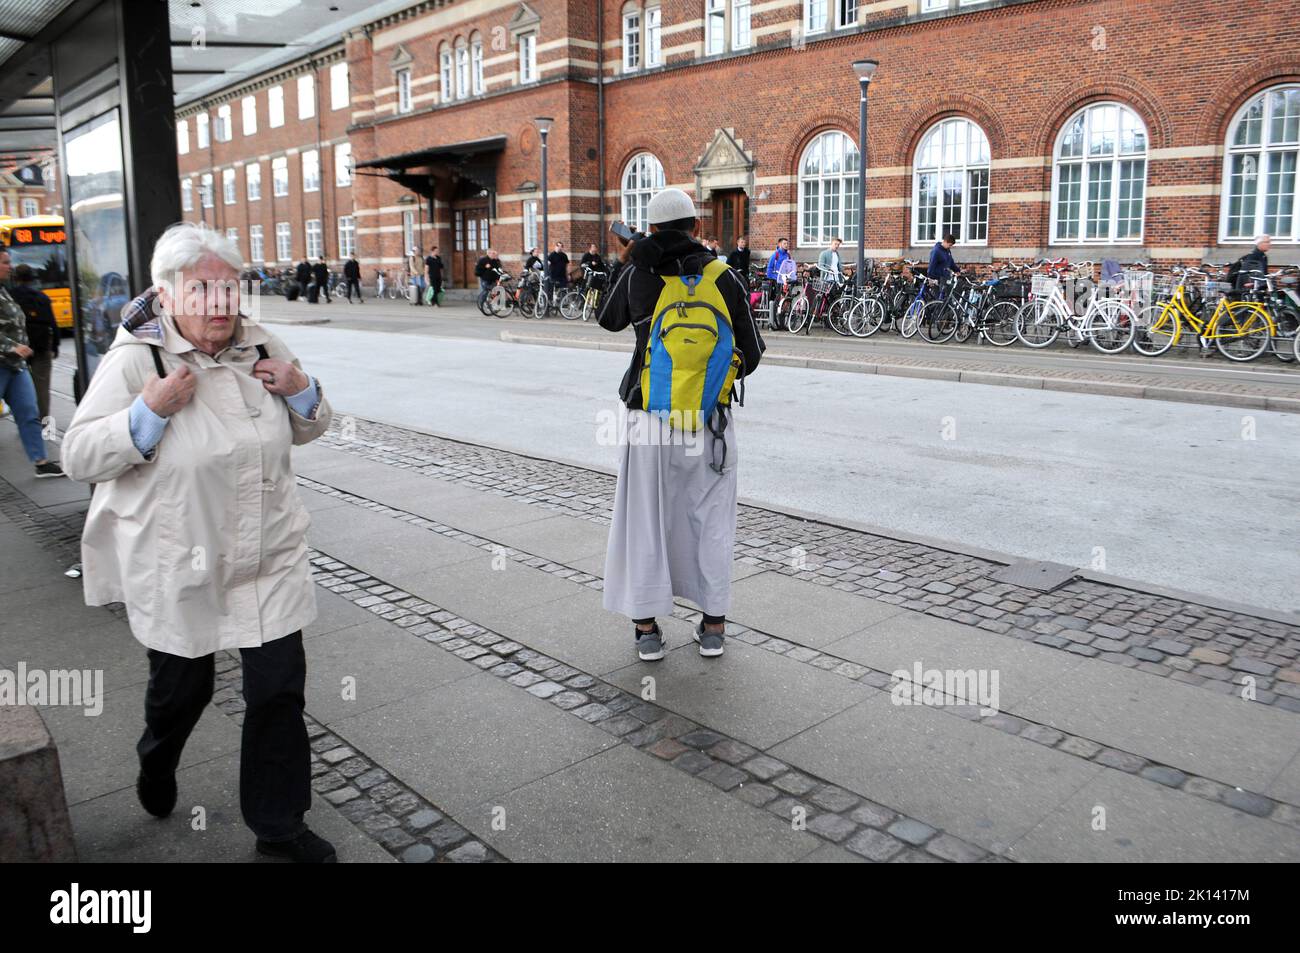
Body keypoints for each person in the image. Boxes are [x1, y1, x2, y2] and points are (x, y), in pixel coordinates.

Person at [62, 223, 336, 863]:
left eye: (228, 285)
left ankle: (279, 827)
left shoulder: (263, 342)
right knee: (183, 691)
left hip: (269, 555)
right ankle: (156, 761)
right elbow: (77, 455)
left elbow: (310, 426)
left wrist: (302, 392)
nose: (219, 301)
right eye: (201, 287)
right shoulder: (137, 359)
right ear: (166, 294)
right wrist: (146, 414)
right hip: (182, 561)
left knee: (278, 692)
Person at [597, 188, 764, 661]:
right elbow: (750, 355)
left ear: (649, 229)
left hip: (649, 416)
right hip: (709, 422)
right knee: (710, 521)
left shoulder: (636, 273)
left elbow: (607, 320)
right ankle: (712, 627)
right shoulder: (723, 276)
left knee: (645, 521)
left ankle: (647, 629)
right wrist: (705, 382)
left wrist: (624, 261)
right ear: (695, 227)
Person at [0, 250, 64, 478]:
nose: (10, 266)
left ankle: (41, 460)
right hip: (3, 363)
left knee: (29, 411)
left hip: (15, 366)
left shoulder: (4, 291)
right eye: (5, 262)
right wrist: (10, 347)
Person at [9, 263, 60, 423]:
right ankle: (43, 420)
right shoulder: (42, 297)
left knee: (18, 388)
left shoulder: (9, 297)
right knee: (42, 387)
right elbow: (53, 323)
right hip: (42, 347)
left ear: (15, 278)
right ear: (32, 278)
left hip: (18, 349)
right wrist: (55, 346)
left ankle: (24, 420)